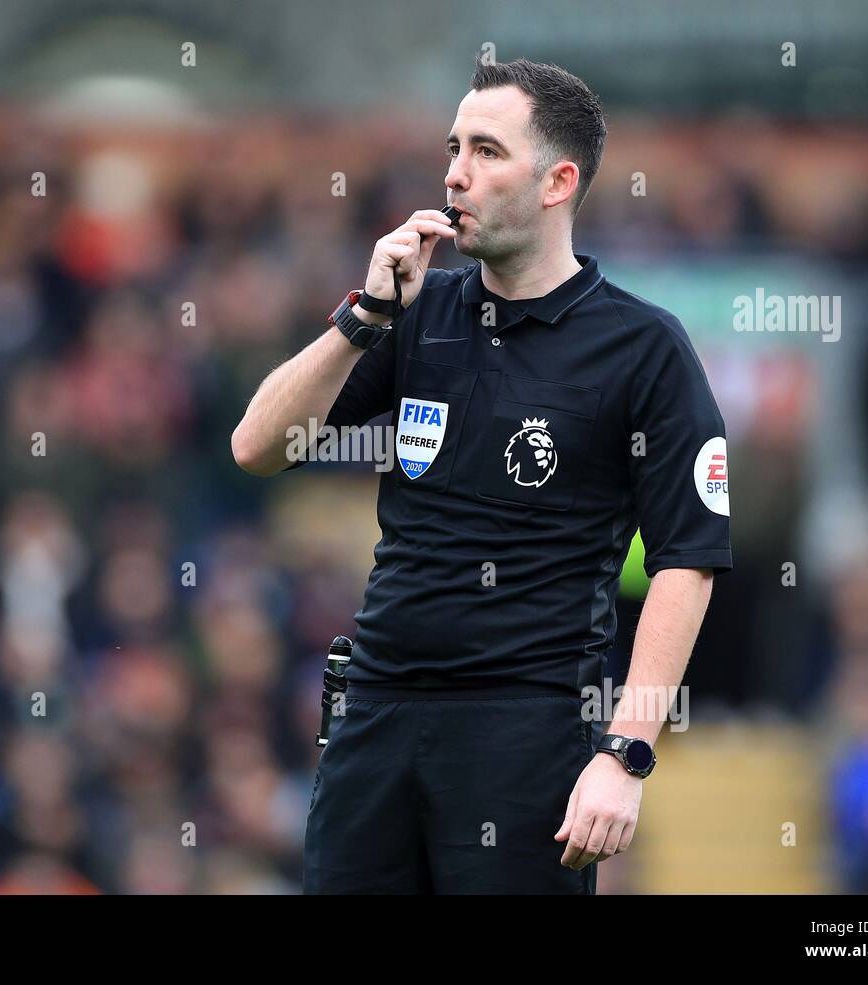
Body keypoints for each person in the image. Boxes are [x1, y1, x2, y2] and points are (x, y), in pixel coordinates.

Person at [232, 56, 732, 894]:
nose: (454, 173)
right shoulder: (415, 311)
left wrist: (627, 752)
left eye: (487, 150)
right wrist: (364, 316)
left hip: (527, 730)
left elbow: (687, 558)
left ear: (556, 181)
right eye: (454, 147)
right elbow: (257, 444)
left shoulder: (643, 348)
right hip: (376, 714)